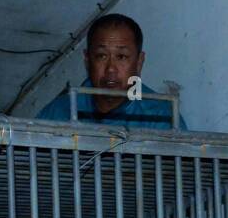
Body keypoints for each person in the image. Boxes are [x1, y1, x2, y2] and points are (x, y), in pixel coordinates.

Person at [35, 13, 187, 130]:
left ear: (139, 62)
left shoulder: (162, 118)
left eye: (121, 57)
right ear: (88, 61)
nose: (111, 69)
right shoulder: (59, 112)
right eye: (101, 56)